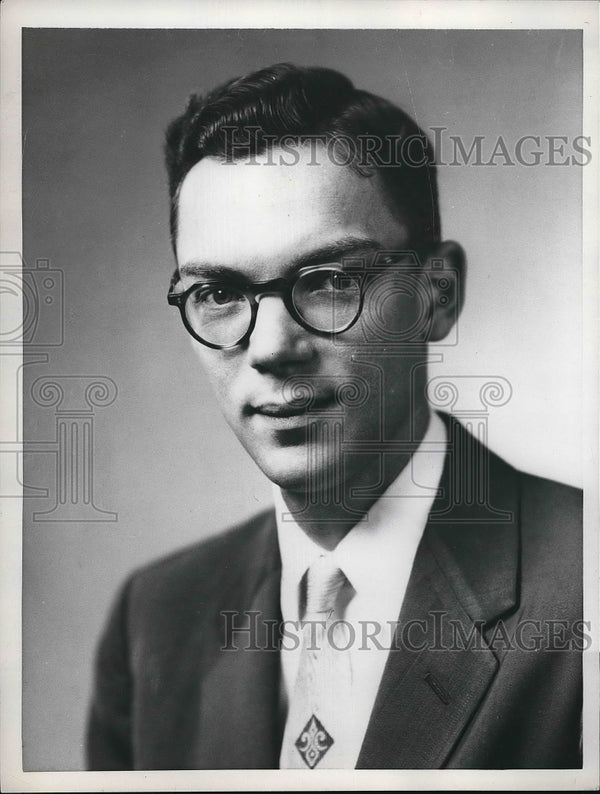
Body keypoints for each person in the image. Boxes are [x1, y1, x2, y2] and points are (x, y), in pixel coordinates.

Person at [86, 63, 583, 770]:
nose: (270, 348)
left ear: (436, 295)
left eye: (327, 282)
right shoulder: (154, 618)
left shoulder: (581, 588)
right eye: (219, 290)